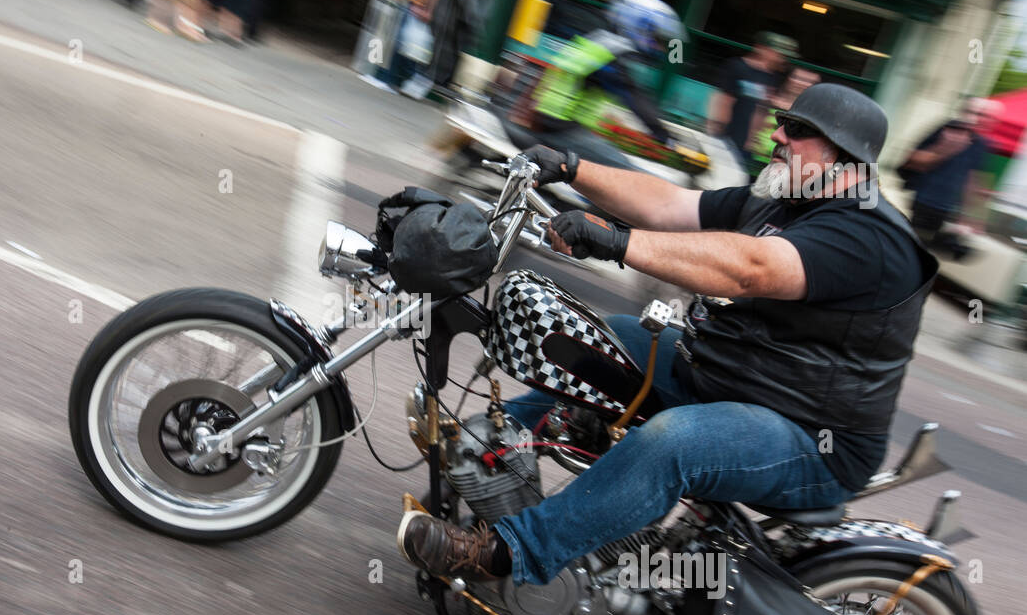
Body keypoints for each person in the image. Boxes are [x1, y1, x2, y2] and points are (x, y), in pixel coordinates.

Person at [397, 83, 938, 585]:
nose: (777, 135)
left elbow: (753, 267)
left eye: (796, 129)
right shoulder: (782, 198)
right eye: (781, 122)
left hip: (809, 438)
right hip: (722, 377)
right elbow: (672, 205)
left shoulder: (870, 237)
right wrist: (570, 166)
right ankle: (485, 453)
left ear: (841, 154)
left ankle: (506, 555)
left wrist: (616, 243)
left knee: (673, 442)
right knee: (596, 339)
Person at [529, 0, 684, 170]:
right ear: (640, 27)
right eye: (657, 39)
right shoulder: (612, 56)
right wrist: (666, 138)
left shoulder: (600, 42)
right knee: (632, 176)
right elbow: (635, 99)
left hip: (555, 122)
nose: (661, 48)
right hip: (563, 130)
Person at [900, 98, 1001, 252]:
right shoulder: (946, 130)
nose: (984, 120)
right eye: (981, 114)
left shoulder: (982, 144)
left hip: (950, 210)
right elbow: (913, 160)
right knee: (912, 246)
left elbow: (973, 179)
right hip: (926, 202)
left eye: (990, 117)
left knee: (937, 251)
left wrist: (974, 217)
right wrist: (946, 148)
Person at [709, 30, 798, 169]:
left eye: (784, 56)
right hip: (727, 138)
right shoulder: (737, 67)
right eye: (779, 54)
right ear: (762, 49)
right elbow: (723, 100)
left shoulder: (775, 78)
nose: (782, 59)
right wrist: (716, 131)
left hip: (752, 148)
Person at [746, 66, 820, 174]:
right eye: (798, 78)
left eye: (808, 81)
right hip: (758, 158)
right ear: (789, 79)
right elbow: (755, 123)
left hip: (785, 164)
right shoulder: (770, 100)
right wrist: (750, 142)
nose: (801, 84)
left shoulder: (812, 113)